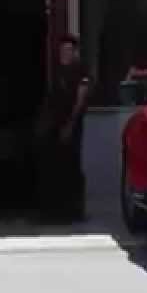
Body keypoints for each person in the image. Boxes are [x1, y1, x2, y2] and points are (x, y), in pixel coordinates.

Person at [35, 35, 91, 223]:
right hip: (56, 126)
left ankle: (76, 210)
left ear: (75, 52)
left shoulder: (81, 71)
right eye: (62, 51)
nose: (64, 54)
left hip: (72, 125)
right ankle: (59, 210)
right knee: (58, 166)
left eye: (68, 51)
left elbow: (80, 99)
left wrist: (70, 124)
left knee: (73, 167)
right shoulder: (59, 72)